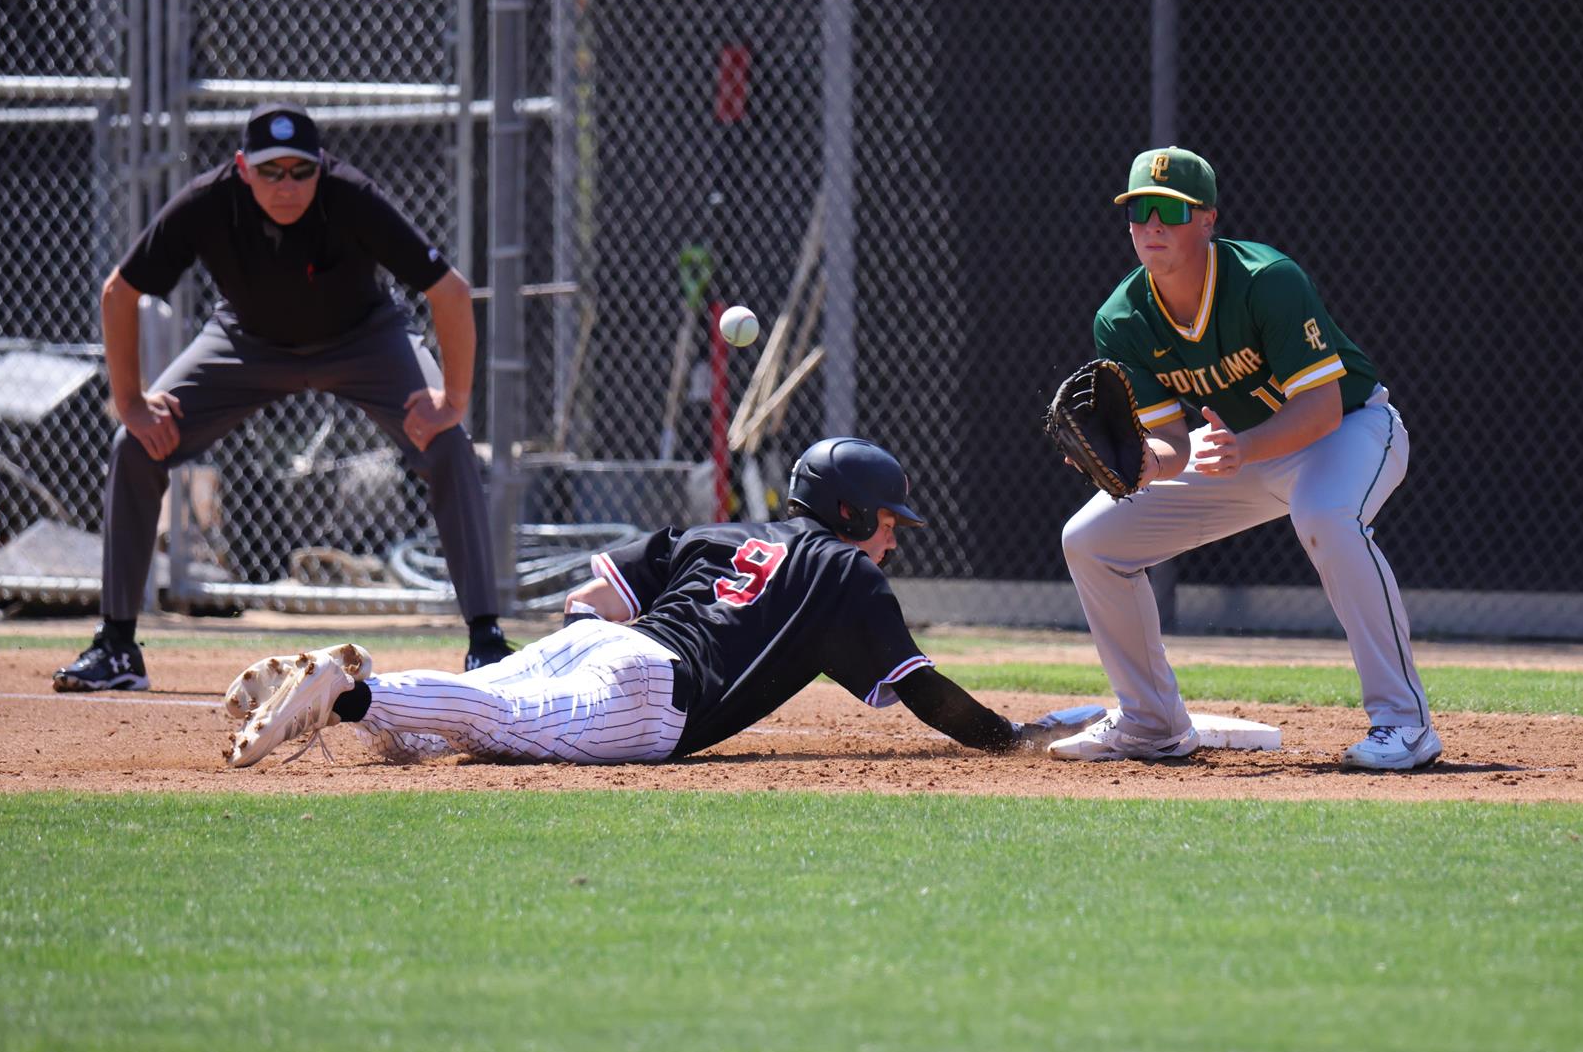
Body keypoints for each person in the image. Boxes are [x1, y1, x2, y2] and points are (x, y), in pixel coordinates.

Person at [223, 438, 1080, 767]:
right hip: (653, 689)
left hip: (601, 642)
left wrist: (583, 649)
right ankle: (345, 690)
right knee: (494, 720)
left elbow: (586, 594)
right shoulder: (846, 574)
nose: (894, 537)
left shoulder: (722, 534)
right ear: (853, 513)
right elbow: (924, 691)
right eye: (889, 519)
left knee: (482, 721)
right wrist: (1007, 739)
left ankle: (365, 686)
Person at [52, 102, 512, 693]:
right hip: (246, 340)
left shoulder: (352, 196)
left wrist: (454, 400)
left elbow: (449, 291)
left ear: (322, 167)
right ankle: (116, 646)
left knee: (447, 441)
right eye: (271, 171)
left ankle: (487, 642)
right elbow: (120, 292)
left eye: (301, 171)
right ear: (243, 168)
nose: (287, 185)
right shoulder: (208, 202)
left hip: (364, 338)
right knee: (134, 444)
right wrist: (132, 403)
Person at [1050, 147, 1440, 770]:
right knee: (1090, 538)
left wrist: (1245, 448)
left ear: (1207, 220)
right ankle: (1152, 725)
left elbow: (1321, 409)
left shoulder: (1266, 280)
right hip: (1233, 453)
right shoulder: (1121, 319)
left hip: (1348, 433)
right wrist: (1142, 466)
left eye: (1169, 212)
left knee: (1327, 516)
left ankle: (1403, 723)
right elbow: (1174, 443)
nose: (1152, 225)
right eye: (1139, 211)